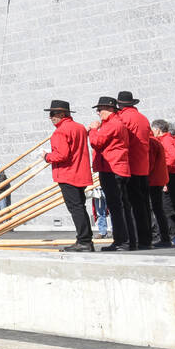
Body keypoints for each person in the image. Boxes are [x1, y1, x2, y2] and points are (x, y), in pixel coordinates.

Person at [43, 100, 93, 252]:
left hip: (67, 174)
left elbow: (61, 155)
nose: (50, 117)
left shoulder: (60, 131)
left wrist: (46, 157)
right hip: (80, 173)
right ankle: (85, 240)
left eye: (52, 114)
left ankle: (84, 240)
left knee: (75, 208)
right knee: (80, 207)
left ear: (61, 114)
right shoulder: (79, 128)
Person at [87, 96, 134, 251]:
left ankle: (122, 242)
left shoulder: (112, 124)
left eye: (100, 110)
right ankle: (128, 241)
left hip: (112, 170)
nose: (98, 113)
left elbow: (96, 142)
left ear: (110, 109)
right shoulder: (117, 123)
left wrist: (93, 129)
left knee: (115, 207)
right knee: (122, 207)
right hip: (118, 169)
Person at [116, 91, 153, 251]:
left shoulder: (123, 118)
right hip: (143, 165)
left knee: (130, 205)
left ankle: (134, 239)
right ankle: (146, 239)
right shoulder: (143, 118)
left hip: (131, 165)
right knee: (143, 205)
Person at [146, 128, 173, 248]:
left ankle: (162, 236)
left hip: (153, 180)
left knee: (156, 209)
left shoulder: (151, 143)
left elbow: (150, 164)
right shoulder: (156, 141)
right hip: (158, 179)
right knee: (158, 209)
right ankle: (164, 236)